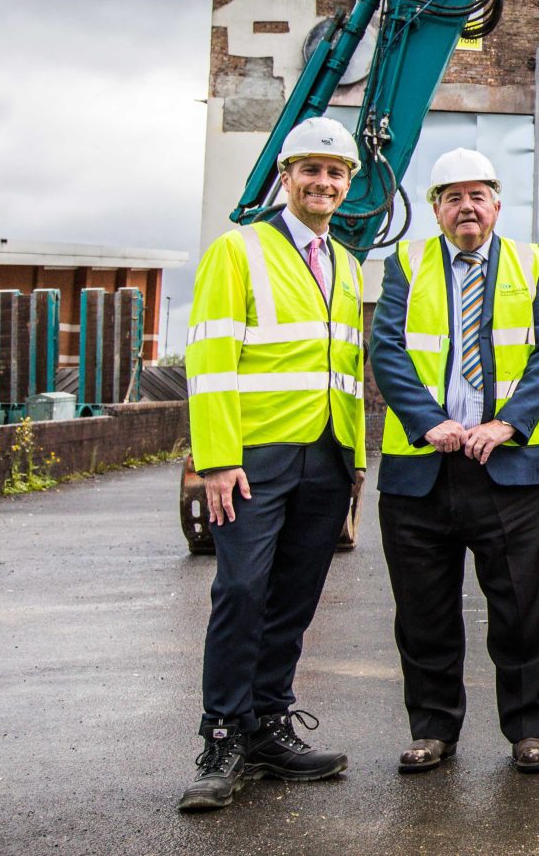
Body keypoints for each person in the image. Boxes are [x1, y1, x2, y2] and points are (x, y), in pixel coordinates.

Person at [179, 116, 366, 812]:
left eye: (335, 173)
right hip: (252, 457)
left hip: (325, 455)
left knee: (294, 593)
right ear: (286, 176)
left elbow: (345, 367)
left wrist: (351, 460)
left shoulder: (345, 265)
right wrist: (218, 458)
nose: (323, 182)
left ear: (348, 184)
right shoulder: (240, 250)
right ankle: (223, 734)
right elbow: (211, 354)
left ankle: (267, 722)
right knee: (242, 590)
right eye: (311, 170)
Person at [370, 148, 539, 775]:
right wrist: (431, 423)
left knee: (523, 609)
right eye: (452, 197)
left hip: (505, 468)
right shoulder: (404, 261)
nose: (467, 207)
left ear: (497, 204)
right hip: (421, 469)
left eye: (477, 195)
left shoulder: (531, 262)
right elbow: (388, 349)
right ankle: (432, 730)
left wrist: (507, 424)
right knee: (424, 610)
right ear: (434, 210)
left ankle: (530, 730)